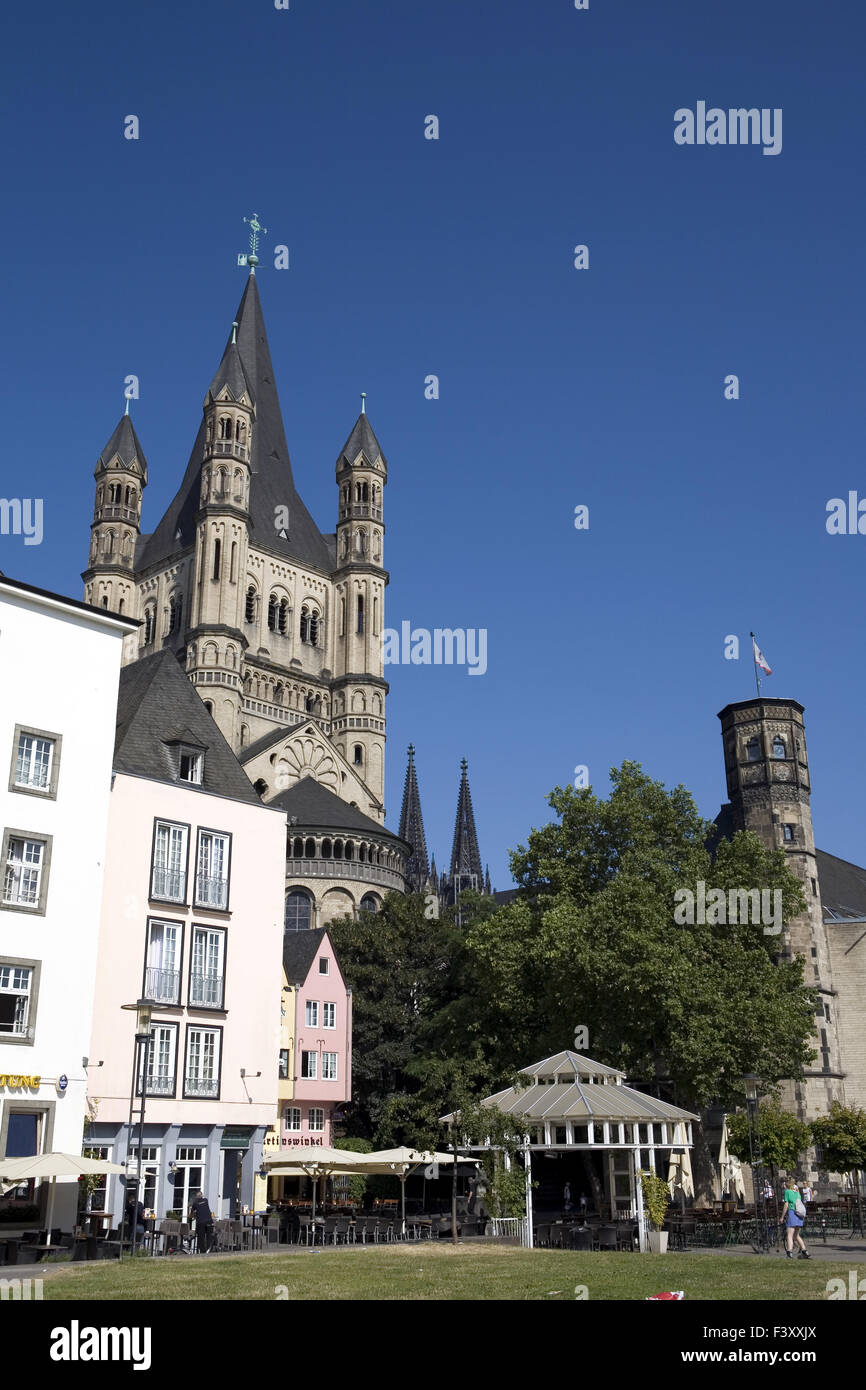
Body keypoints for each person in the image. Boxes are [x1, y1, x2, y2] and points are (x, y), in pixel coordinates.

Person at [781, 1183, 809, 1259]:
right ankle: (805, 1251)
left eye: (784, 1184)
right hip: (799, 1215)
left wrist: (782, 1217)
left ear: (786, 1185)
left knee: (789, 1235)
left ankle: (789, 1253)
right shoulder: (797, 1193)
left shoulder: (787, 1192)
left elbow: (786, 1205)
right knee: (796, 1235)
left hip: (792, 1213)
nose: (783, 1186)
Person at [191, 1190, 214, 1254]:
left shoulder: (195, 1203)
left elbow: (191, 1213)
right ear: (202, 1195)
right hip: (209, 1221)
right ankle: (209, 1250)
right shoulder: (206, 1200)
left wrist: (192, 1215)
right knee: (209, 1236)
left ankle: (202, 1252)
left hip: (201, 1222)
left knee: (201, 1237)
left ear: (196, 1196)